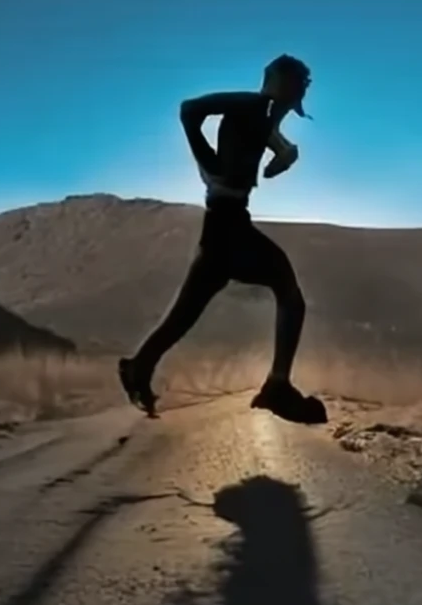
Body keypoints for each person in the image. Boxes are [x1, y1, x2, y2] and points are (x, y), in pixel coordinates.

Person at [118, 54, 327, 424]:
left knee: (183, 316)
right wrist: (208, 160)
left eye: (304, 84)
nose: (301, 89)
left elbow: (274, 139)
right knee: (289, 293)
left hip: (223, 223)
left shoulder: (265, 115)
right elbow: (189, 110)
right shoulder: (251, 104)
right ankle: (277, 387)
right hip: (229, 225)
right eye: (297, 82)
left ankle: (138, 368)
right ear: (276, 81)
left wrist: (285, 154)